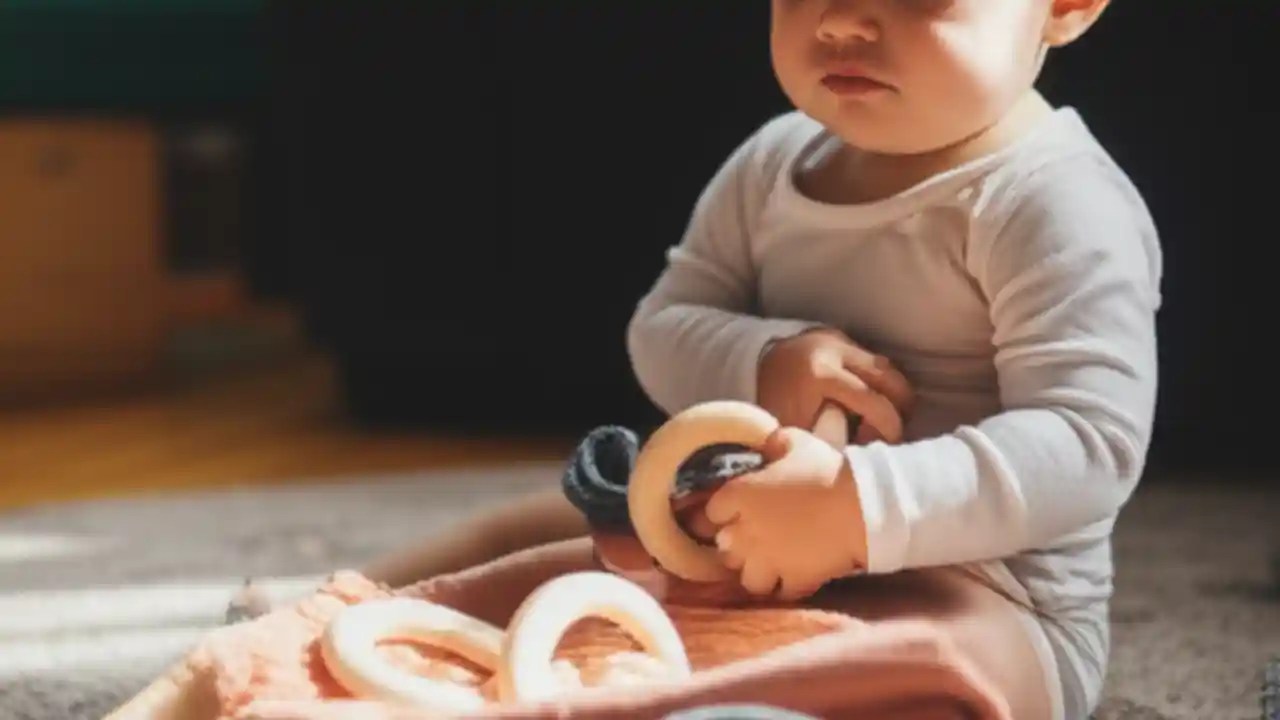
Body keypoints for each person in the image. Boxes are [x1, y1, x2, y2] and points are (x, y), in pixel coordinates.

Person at [361, 2, 1162, 719]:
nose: (843, 21)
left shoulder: (1055, 203)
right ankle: (334, 615)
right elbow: (661, 327)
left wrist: (855, 510)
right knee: (540, 537)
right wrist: (763, 360)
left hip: (987, 597)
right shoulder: (774, 163)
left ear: (1065, 7)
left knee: (922, 677)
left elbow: (1089, 445)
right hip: (742, 545)